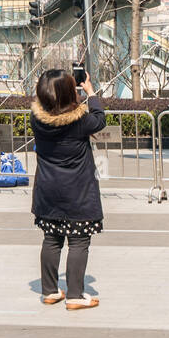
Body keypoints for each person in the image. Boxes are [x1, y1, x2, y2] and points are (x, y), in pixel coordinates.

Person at [30, 68, 104, 310]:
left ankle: (50, 291)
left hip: (48, 189)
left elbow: (52, 105)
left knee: (51, 239)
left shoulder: (35, 118)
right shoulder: (80, 121)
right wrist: (90, 92)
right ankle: (74, 295)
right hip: (78, 190)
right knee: (79, 241)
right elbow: (99, 119)